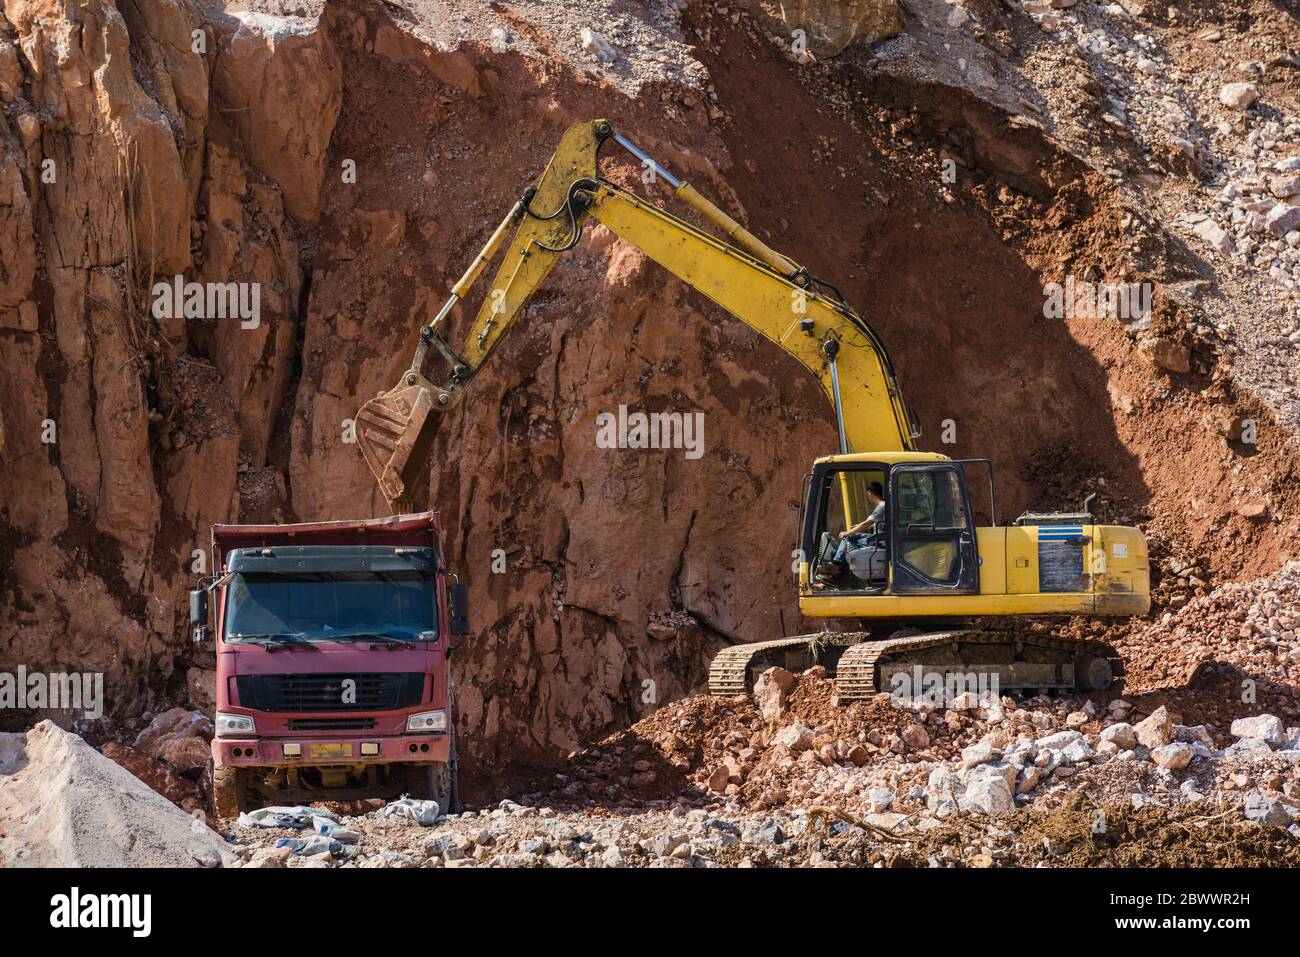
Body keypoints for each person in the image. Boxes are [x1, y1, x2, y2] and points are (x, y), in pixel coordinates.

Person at [817, 482, 886, 582]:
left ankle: (835, 566)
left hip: (879, 541)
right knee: (851, 537)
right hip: (879, 537)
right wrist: (858, 526)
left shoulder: (881, 506)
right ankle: (836, 566)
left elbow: (867, 523)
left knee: (847, 539)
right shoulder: (884, 505)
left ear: (870, 493)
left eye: (868, 494)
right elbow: (876, 523)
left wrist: (848, 532)